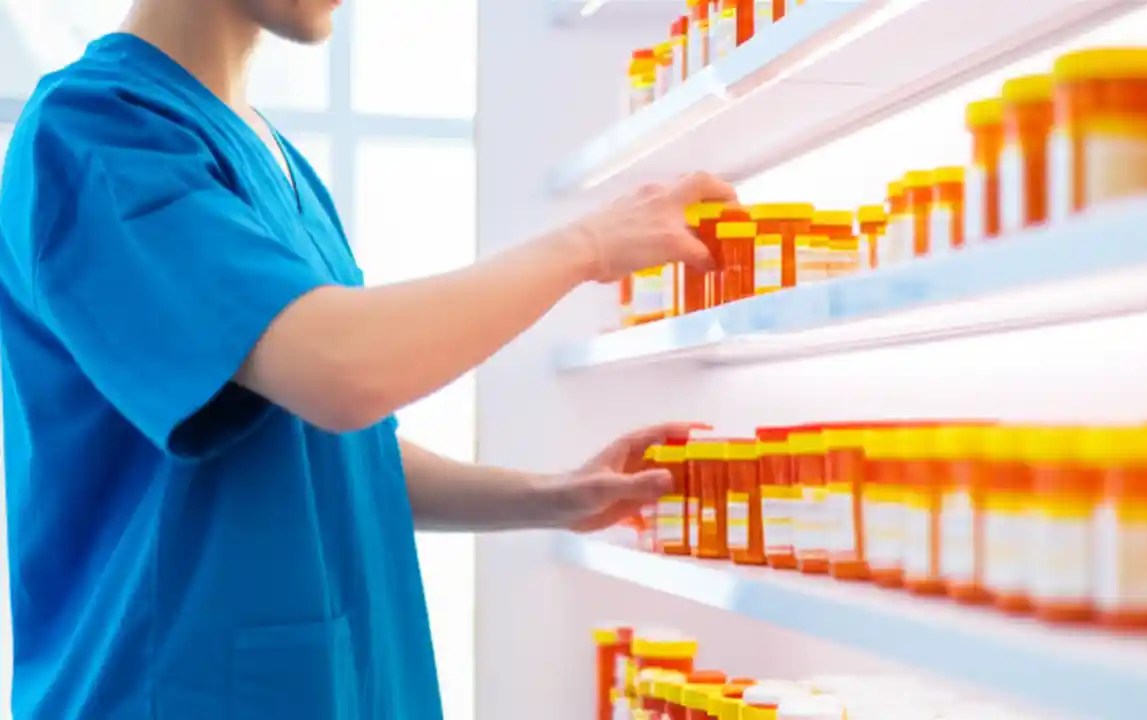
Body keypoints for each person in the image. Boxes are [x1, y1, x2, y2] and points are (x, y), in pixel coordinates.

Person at [0, 0, 735, 717]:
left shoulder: (273, 160)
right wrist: (588, 247)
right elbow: (344, 373)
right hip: (167, 686)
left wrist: (549, 496)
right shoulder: (96, 134)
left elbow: (323, 445)